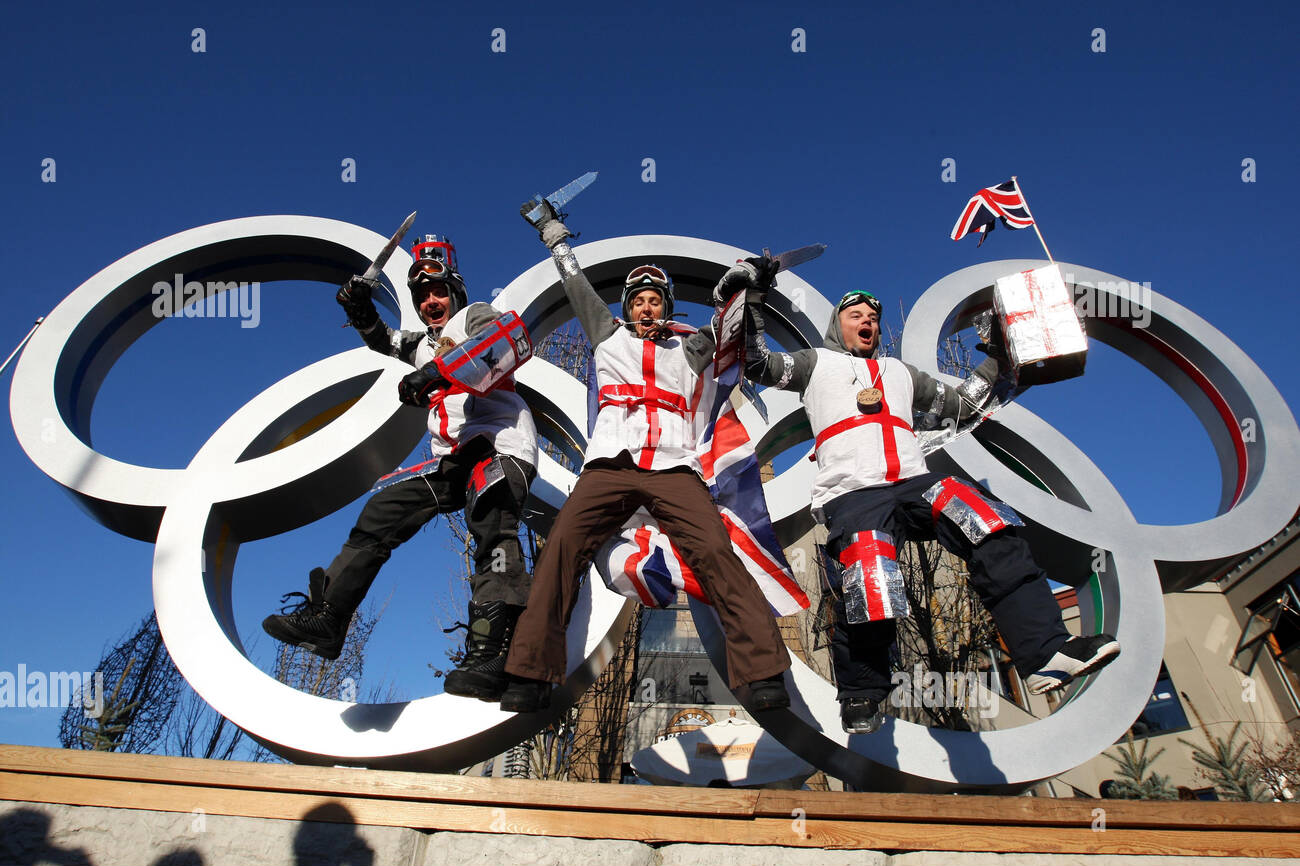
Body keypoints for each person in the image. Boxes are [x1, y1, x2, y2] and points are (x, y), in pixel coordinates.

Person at [719, 261, 1119, 733]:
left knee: (990, 525)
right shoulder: (815, 363)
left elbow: (963, 404)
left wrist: (1003, 349)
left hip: (913, 481)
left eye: (873, 315)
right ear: (837, 324)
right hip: (854, 491)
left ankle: (1045, 653)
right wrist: (751, 298)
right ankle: (863, 692)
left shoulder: (900, 372)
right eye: (856, 314)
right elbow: (760, 361)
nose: (867, 320)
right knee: (870, 578)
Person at [494, 204, 792, 713]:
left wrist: (751, 283)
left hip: (675, 467)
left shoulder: (690, 350)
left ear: (666, 307)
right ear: (628, 309)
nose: (647, 309)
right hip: (610, 464)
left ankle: (763, 673)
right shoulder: (606, 338)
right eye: (639, 302)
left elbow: (729, 320)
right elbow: (577, 286)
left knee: (716, 553)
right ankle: (529, 672)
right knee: (563, 546)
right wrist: (553, 234)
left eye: (656, 301)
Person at [262, 236, 537, 702]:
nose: (430, 301)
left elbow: (508, 340)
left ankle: (491, 652)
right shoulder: (425, 344)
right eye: (421, 296)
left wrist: (433, 375)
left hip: (499, 446)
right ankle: (328, 616)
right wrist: (360, 307)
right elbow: (384, 341)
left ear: (455, 290)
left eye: (438, 291)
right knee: (384, 509)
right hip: (453, 458)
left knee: (491, 524)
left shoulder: (474, 318)